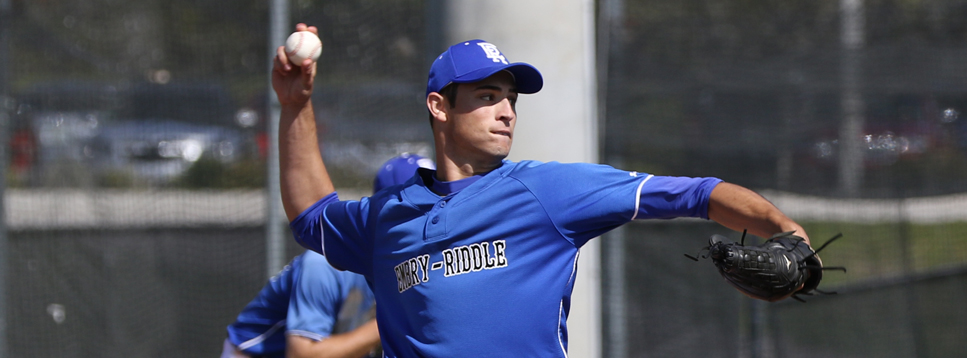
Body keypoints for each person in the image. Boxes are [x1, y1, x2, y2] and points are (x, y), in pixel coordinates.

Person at [274, 23, 811, 358]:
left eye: (511, 98)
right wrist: (296, 106)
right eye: (487, 96)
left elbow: (698, 193)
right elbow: (311, 215)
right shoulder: (389, 215)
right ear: (440, 107)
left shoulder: (547, 191)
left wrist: (787, 232)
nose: (506, 110)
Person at [221, 153, 433, 358]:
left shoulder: (422, 263)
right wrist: (391, 321)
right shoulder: (325, 263)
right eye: (419, 204)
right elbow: (302, 354)